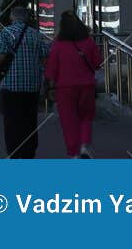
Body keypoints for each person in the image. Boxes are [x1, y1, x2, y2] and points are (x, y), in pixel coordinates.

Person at [0, 5, 51, 158]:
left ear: (12, 17)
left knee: (12, 121)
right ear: (26, 18)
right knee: (29, 121)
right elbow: (45, 58)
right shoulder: (36, 34)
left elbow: (0, 58)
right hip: (32, 86)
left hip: (11, 86)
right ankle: (28, 152)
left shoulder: (6, 33)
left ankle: (14, 152)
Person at [45, 10, 102, 158]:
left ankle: (73, 152)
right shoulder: (88, 41)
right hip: (86, 85)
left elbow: (52, 67)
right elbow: (97, 62)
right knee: (86, 117)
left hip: (65, 88)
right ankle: (84, 145)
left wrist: (50, 86)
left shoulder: (58, 44)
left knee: (68, 120)